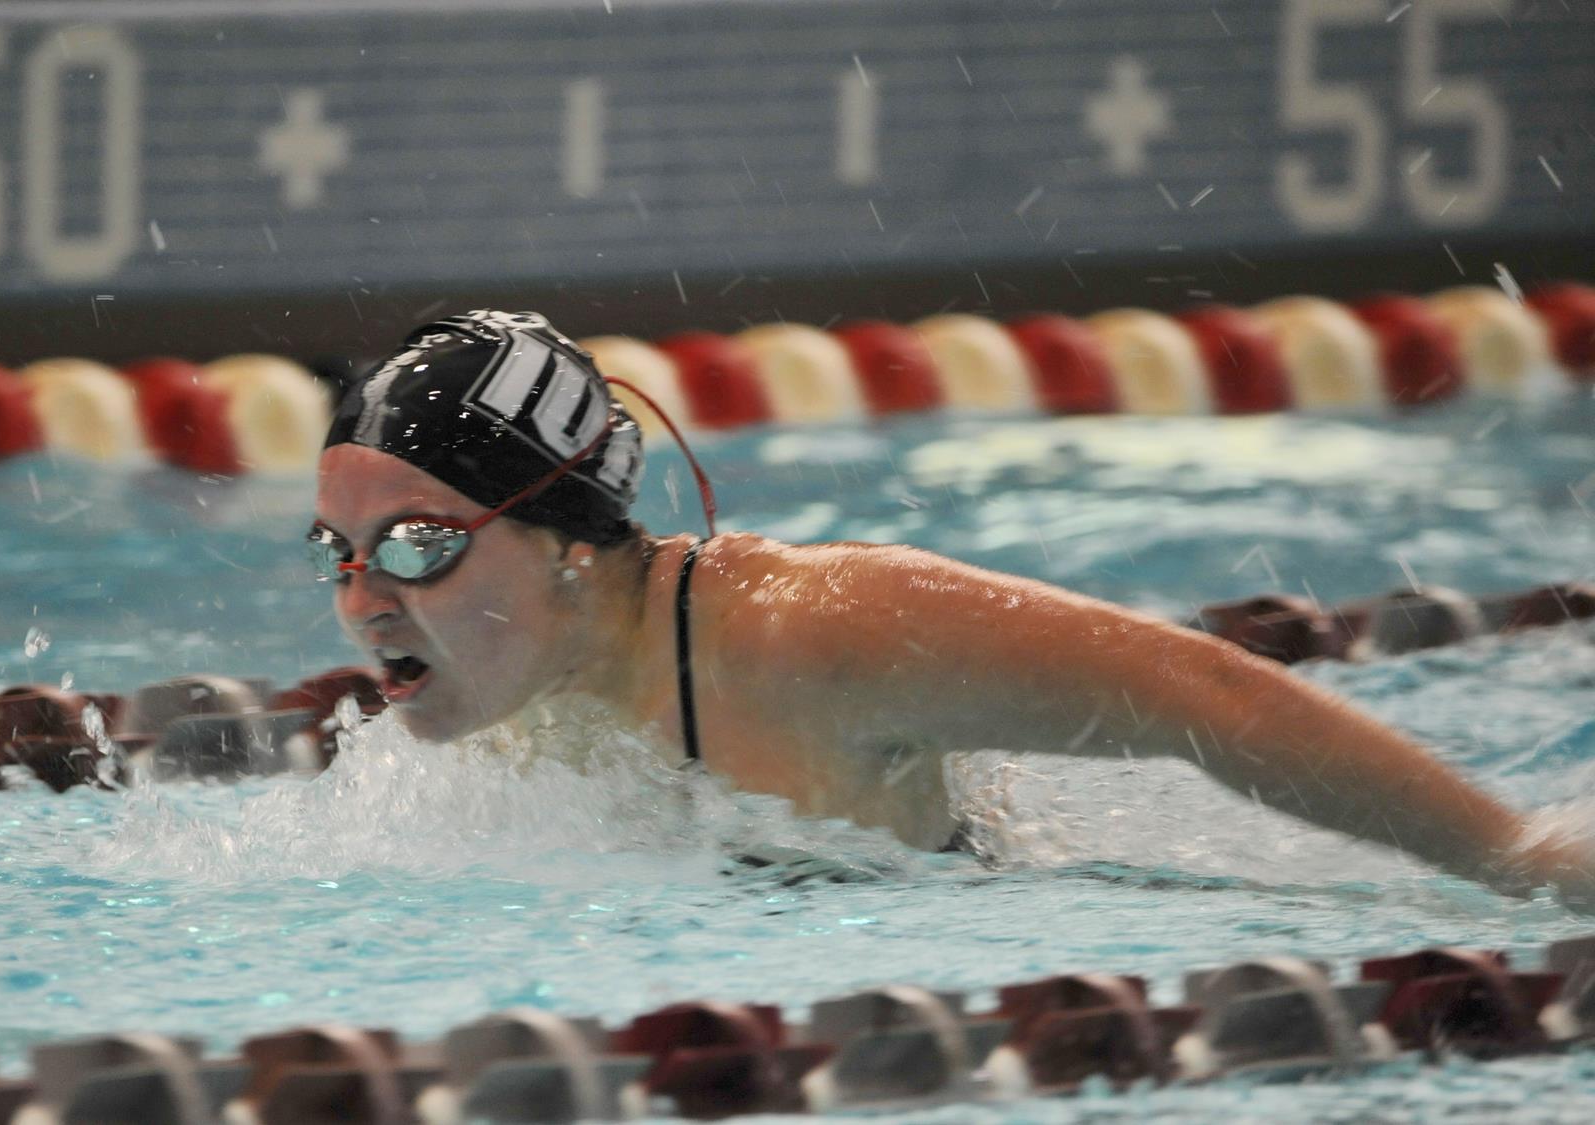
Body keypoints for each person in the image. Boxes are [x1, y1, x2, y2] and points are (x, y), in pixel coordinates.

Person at [309, 309, 1594, 906]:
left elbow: (1195, 692)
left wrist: (1501, 851)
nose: (363, 600)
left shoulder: (806, 633)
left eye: (416, 547)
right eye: (338, 552)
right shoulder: (520, 693)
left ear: (569, 542)